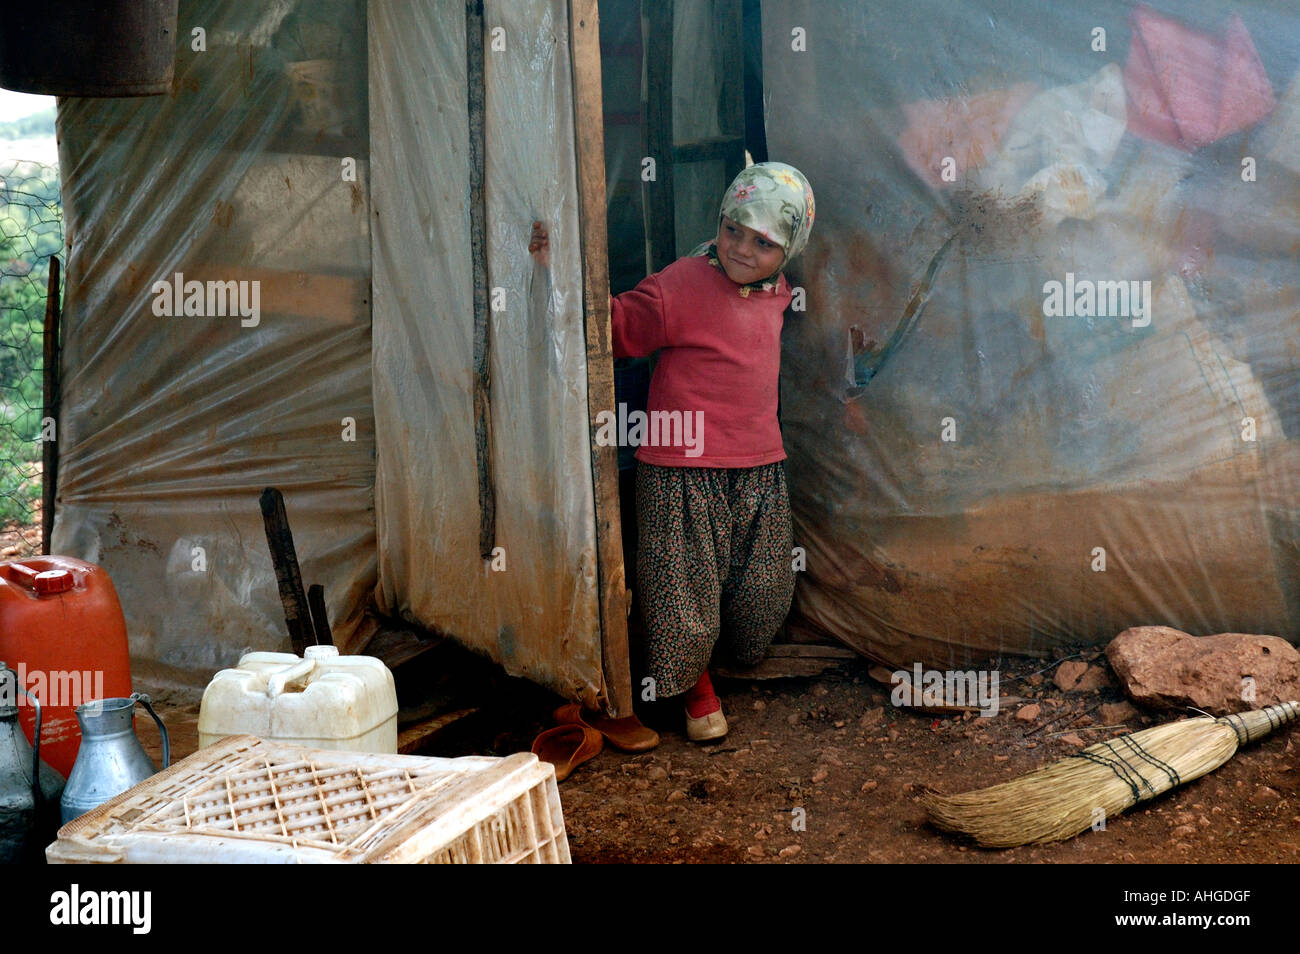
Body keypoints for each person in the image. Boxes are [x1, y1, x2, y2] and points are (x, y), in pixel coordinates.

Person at [529, 161, 815, 742]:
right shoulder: (680, 285)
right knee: (682, 592)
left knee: (762, 591)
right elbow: (612, 328)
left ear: (788, 250)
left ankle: (721, 660)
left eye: (763, 242)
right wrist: (552, 268)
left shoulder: (780, 292)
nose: (740, 248)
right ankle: (697, 690)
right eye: (733, 229)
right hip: (680, 467)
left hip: (760, 463)